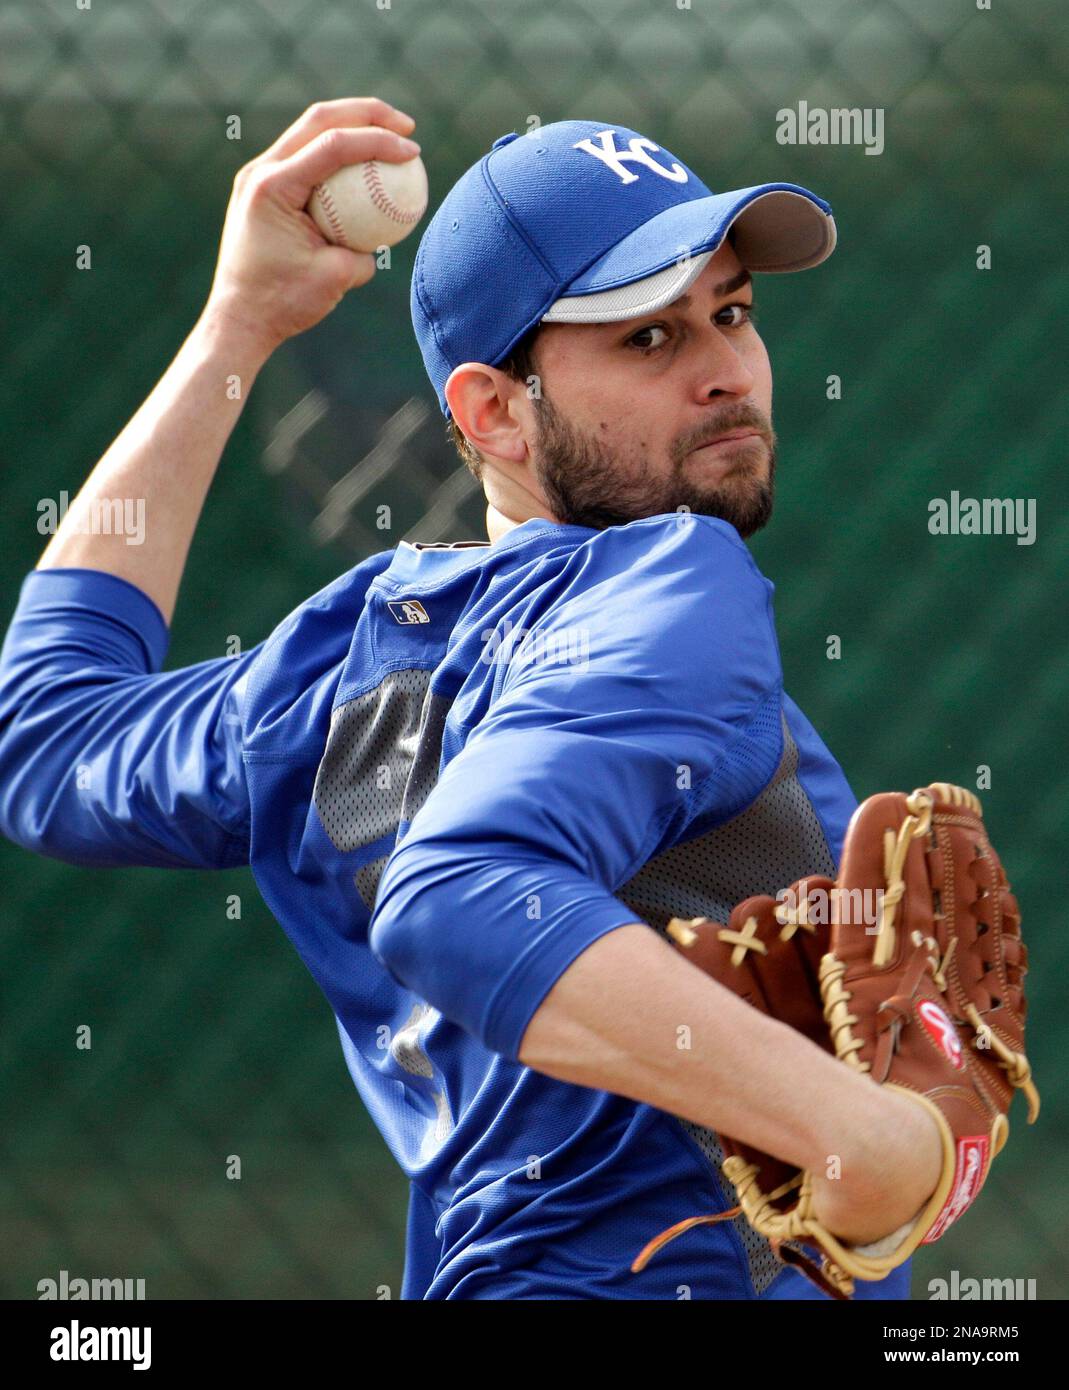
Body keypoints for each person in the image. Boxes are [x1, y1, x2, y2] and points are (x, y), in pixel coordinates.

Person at [0, 101, 942, 1300]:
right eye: (646, 339)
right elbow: (461, 896)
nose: (724, 373)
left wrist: (235, 328)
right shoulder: (670, 576)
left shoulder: (349, 670)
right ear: (491, 410)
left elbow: (46, 736)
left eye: (731, 314)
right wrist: (862, 1134)